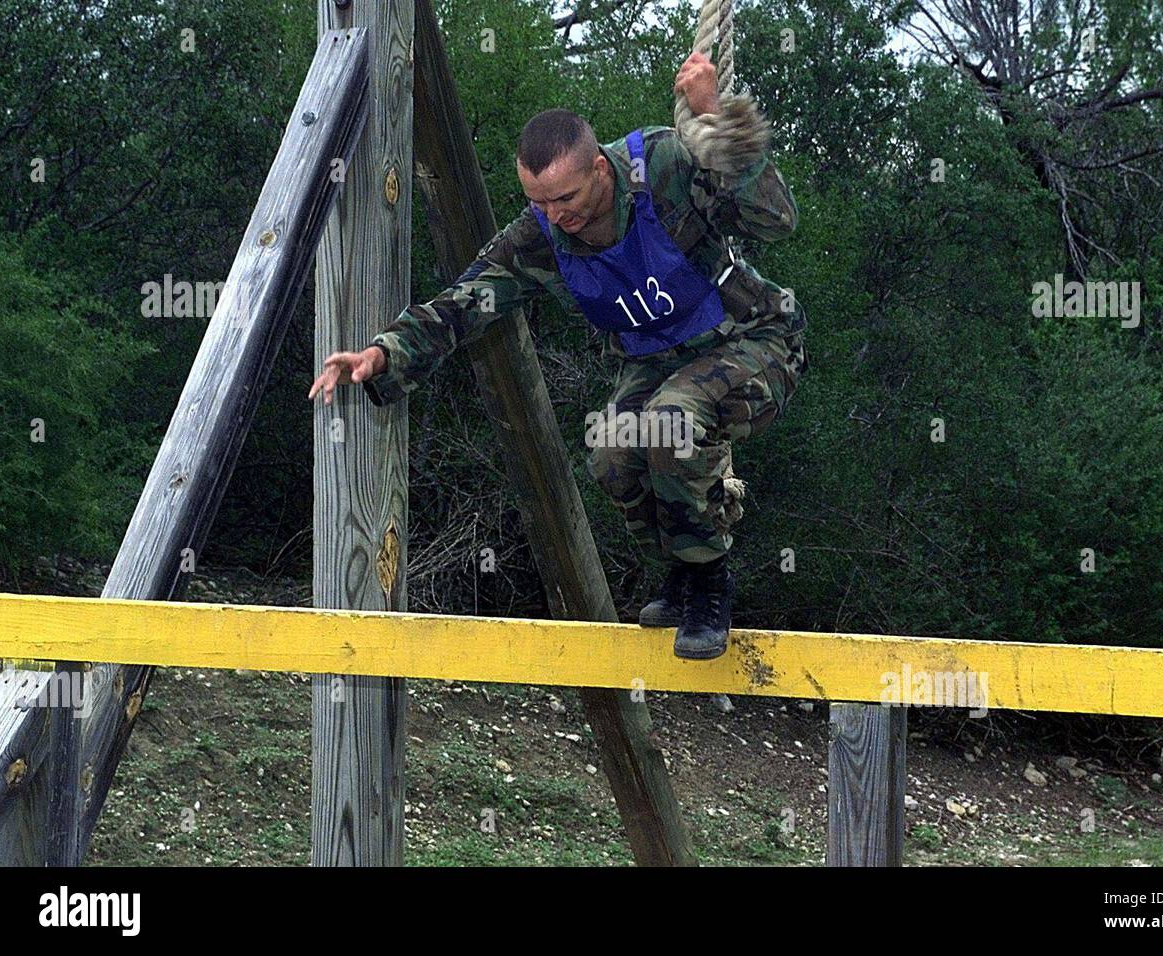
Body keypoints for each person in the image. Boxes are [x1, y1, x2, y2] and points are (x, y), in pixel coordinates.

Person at [309, 52, 807, 660]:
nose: (557, 216)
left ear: (601, 169)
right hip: (660, 364)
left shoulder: (666, 167)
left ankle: (709, 583)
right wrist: (384, 354)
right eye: (539, 202)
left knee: (671, 424)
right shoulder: (541, 237)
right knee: (609, 456)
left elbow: (777, 219)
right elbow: (467, 301)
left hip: (755, 338)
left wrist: (717, 118)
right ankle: (682, 569)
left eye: (566, 197)